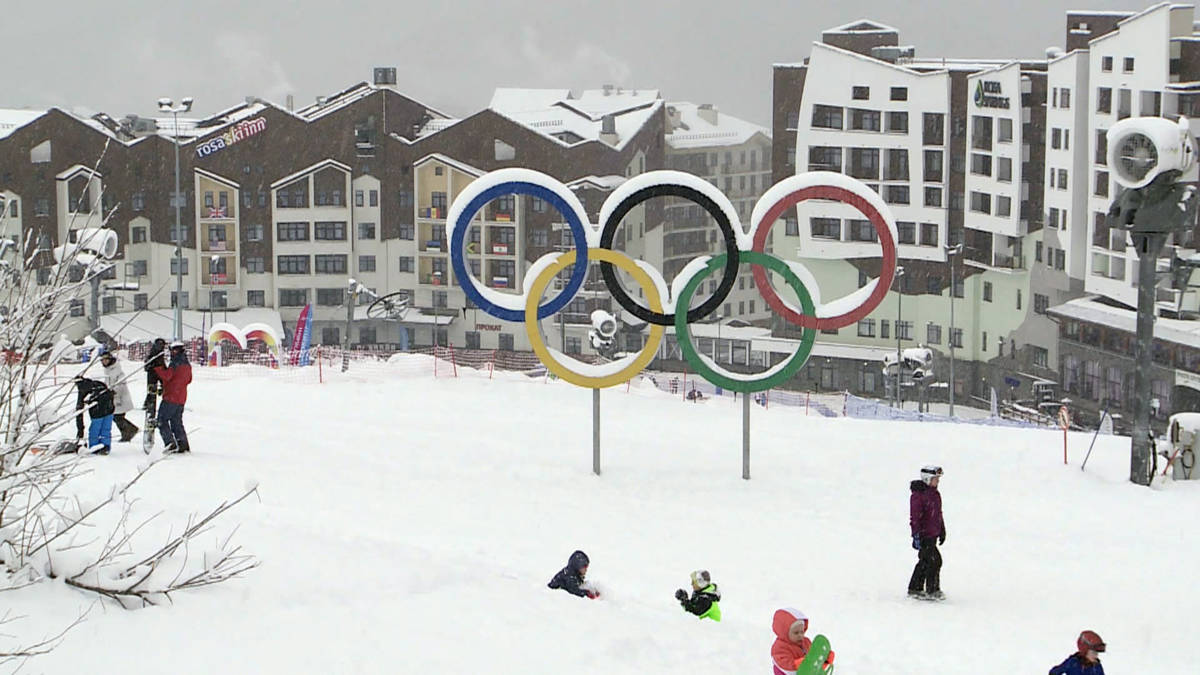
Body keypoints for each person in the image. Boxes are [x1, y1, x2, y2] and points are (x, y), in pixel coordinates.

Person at [908, 465, 946, 600]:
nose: (938, 481)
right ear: (927, 479)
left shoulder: (935, 494)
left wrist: (942, 529)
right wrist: (916, 535)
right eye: (935, 479)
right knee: (934, 561)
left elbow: (938, 514)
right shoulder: (919, 496)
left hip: (933, 534)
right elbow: (915, 517)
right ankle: (932, 589)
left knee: (926, 561)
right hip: (924, 535)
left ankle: (916, 588)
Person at [154, 340, 193, 454]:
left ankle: (170, 444)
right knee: (176, 422)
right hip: (181, 398)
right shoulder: (187, 364)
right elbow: (189, 379)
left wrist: (157, 368)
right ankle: (183, 444)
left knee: (162, 420)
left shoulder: (175, 363)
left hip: (171, 397)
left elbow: (167, 376)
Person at [98, 349, 138, 442]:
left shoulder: (117, 370)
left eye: (106, 359)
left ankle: (129, 431)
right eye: (103, 360)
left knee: (117, 417)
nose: (104, 362)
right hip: (113, 398)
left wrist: (113, 392)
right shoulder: (108, 370)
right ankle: (129, 431)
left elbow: (121, 384)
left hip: (120, 398)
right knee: (116, 417)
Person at [73, 374, 114, 455]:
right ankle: (106, 447)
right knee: (106, 429)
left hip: (97, 411)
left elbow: (79, 410)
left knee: (95, 430)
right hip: (109, 408)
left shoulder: (82, 389)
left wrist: (80, 431)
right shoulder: (97, 383)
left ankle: (94, 447)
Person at [771, 608, 812, 675]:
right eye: (796, 633)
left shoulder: (806, 642)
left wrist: (825, 658)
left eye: (802, 632)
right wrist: (801, 663)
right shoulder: (779, 647)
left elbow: (815, 656)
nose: (800, 635)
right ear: (785, 632)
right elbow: (785, 665)